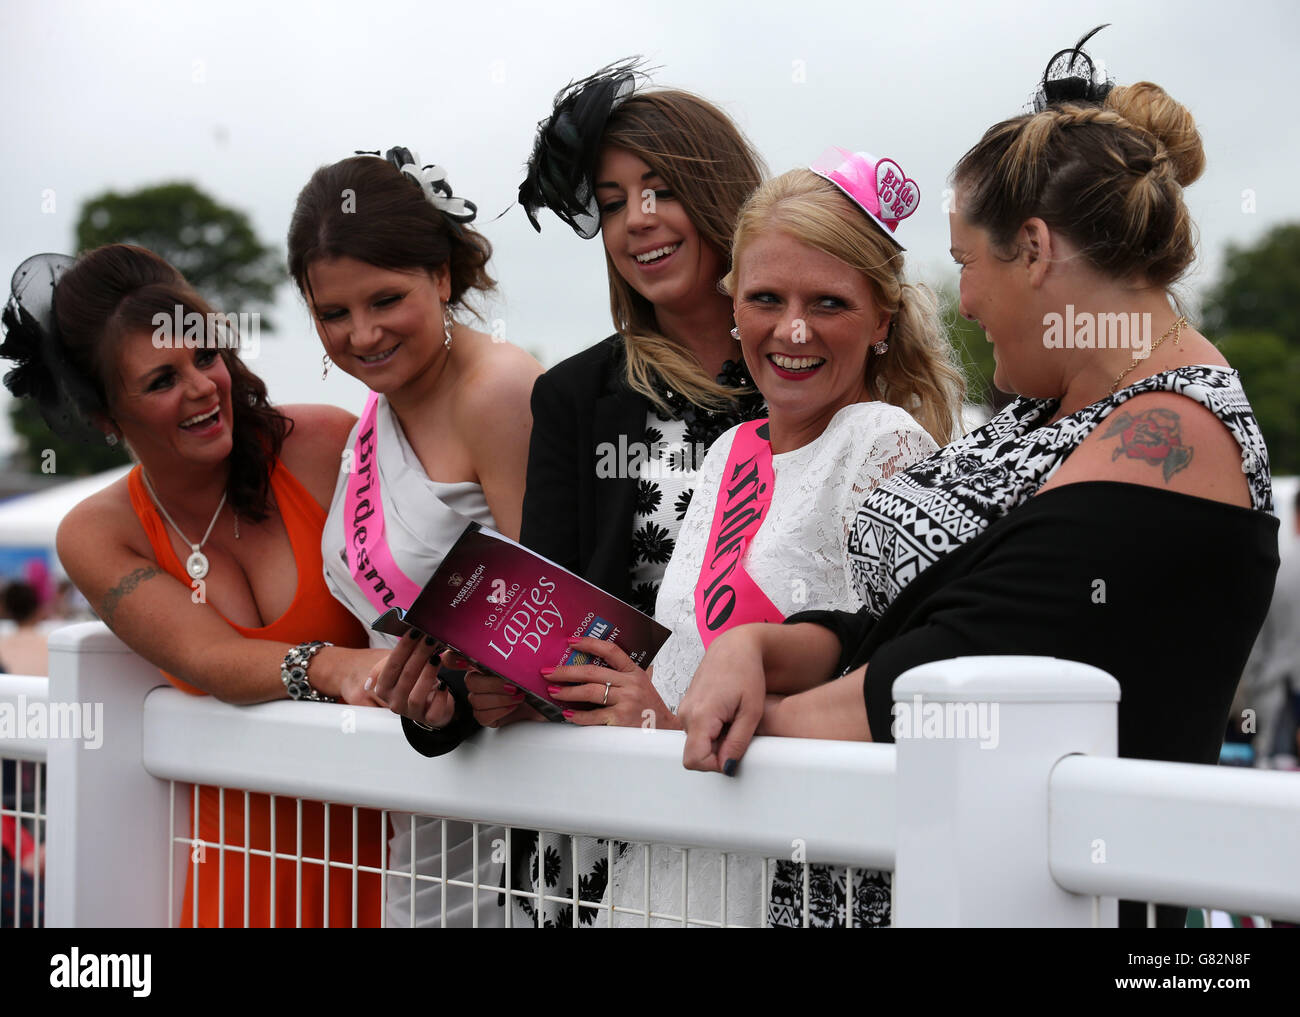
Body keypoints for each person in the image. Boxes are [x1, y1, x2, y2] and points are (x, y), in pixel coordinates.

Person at [676, 36, 1280, 930]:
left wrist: (700, 740)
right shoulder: (1059, 409)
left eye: (966, 262)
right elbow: (908, 619)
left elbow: (947, 674)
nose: (961, 302)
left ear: (1034, 249)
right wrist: (762, 649)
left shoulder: (1175, 440)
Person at [545, 151, 964, 926]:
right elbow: (687, 665)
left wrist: (663, 723)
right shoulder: (726, 451)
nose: (793, 329)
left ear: (883, 320)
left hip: (790, 876)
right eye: (766, 297)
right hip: (675, 848)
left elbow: (884, 676)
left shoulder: (884, 443)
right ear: (733, 307)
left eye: (829, 302)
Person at [454, 59, 766, 925]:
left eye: (661, 189)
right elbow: (547, 601)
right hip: (588, 810)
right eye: (615, 199)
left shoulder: (804, 375)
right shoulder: (572, 395)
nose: (640, 220)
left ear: (722, 196)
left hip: (759, 785)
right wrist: (486, 687)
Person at [0, 244, 386, 927]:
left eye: (205, 356)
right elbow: (208, 657)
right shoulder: (96, 533)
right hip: (238, 893)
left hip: (409, 870)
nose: (205, 386)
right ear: (105, 419)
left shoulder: (325, 442)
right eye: (161, 380)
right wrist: (338, 667)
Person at [289, 147, 542, 926]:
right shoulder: (378, 412)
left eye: (384, 299)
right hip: (424, 786)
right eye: (333, 313)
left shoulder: (498, 390)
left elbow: (549, 619)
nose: (361, 334)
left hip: (521, 794)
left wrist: (460, 690)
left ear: (441, 276)